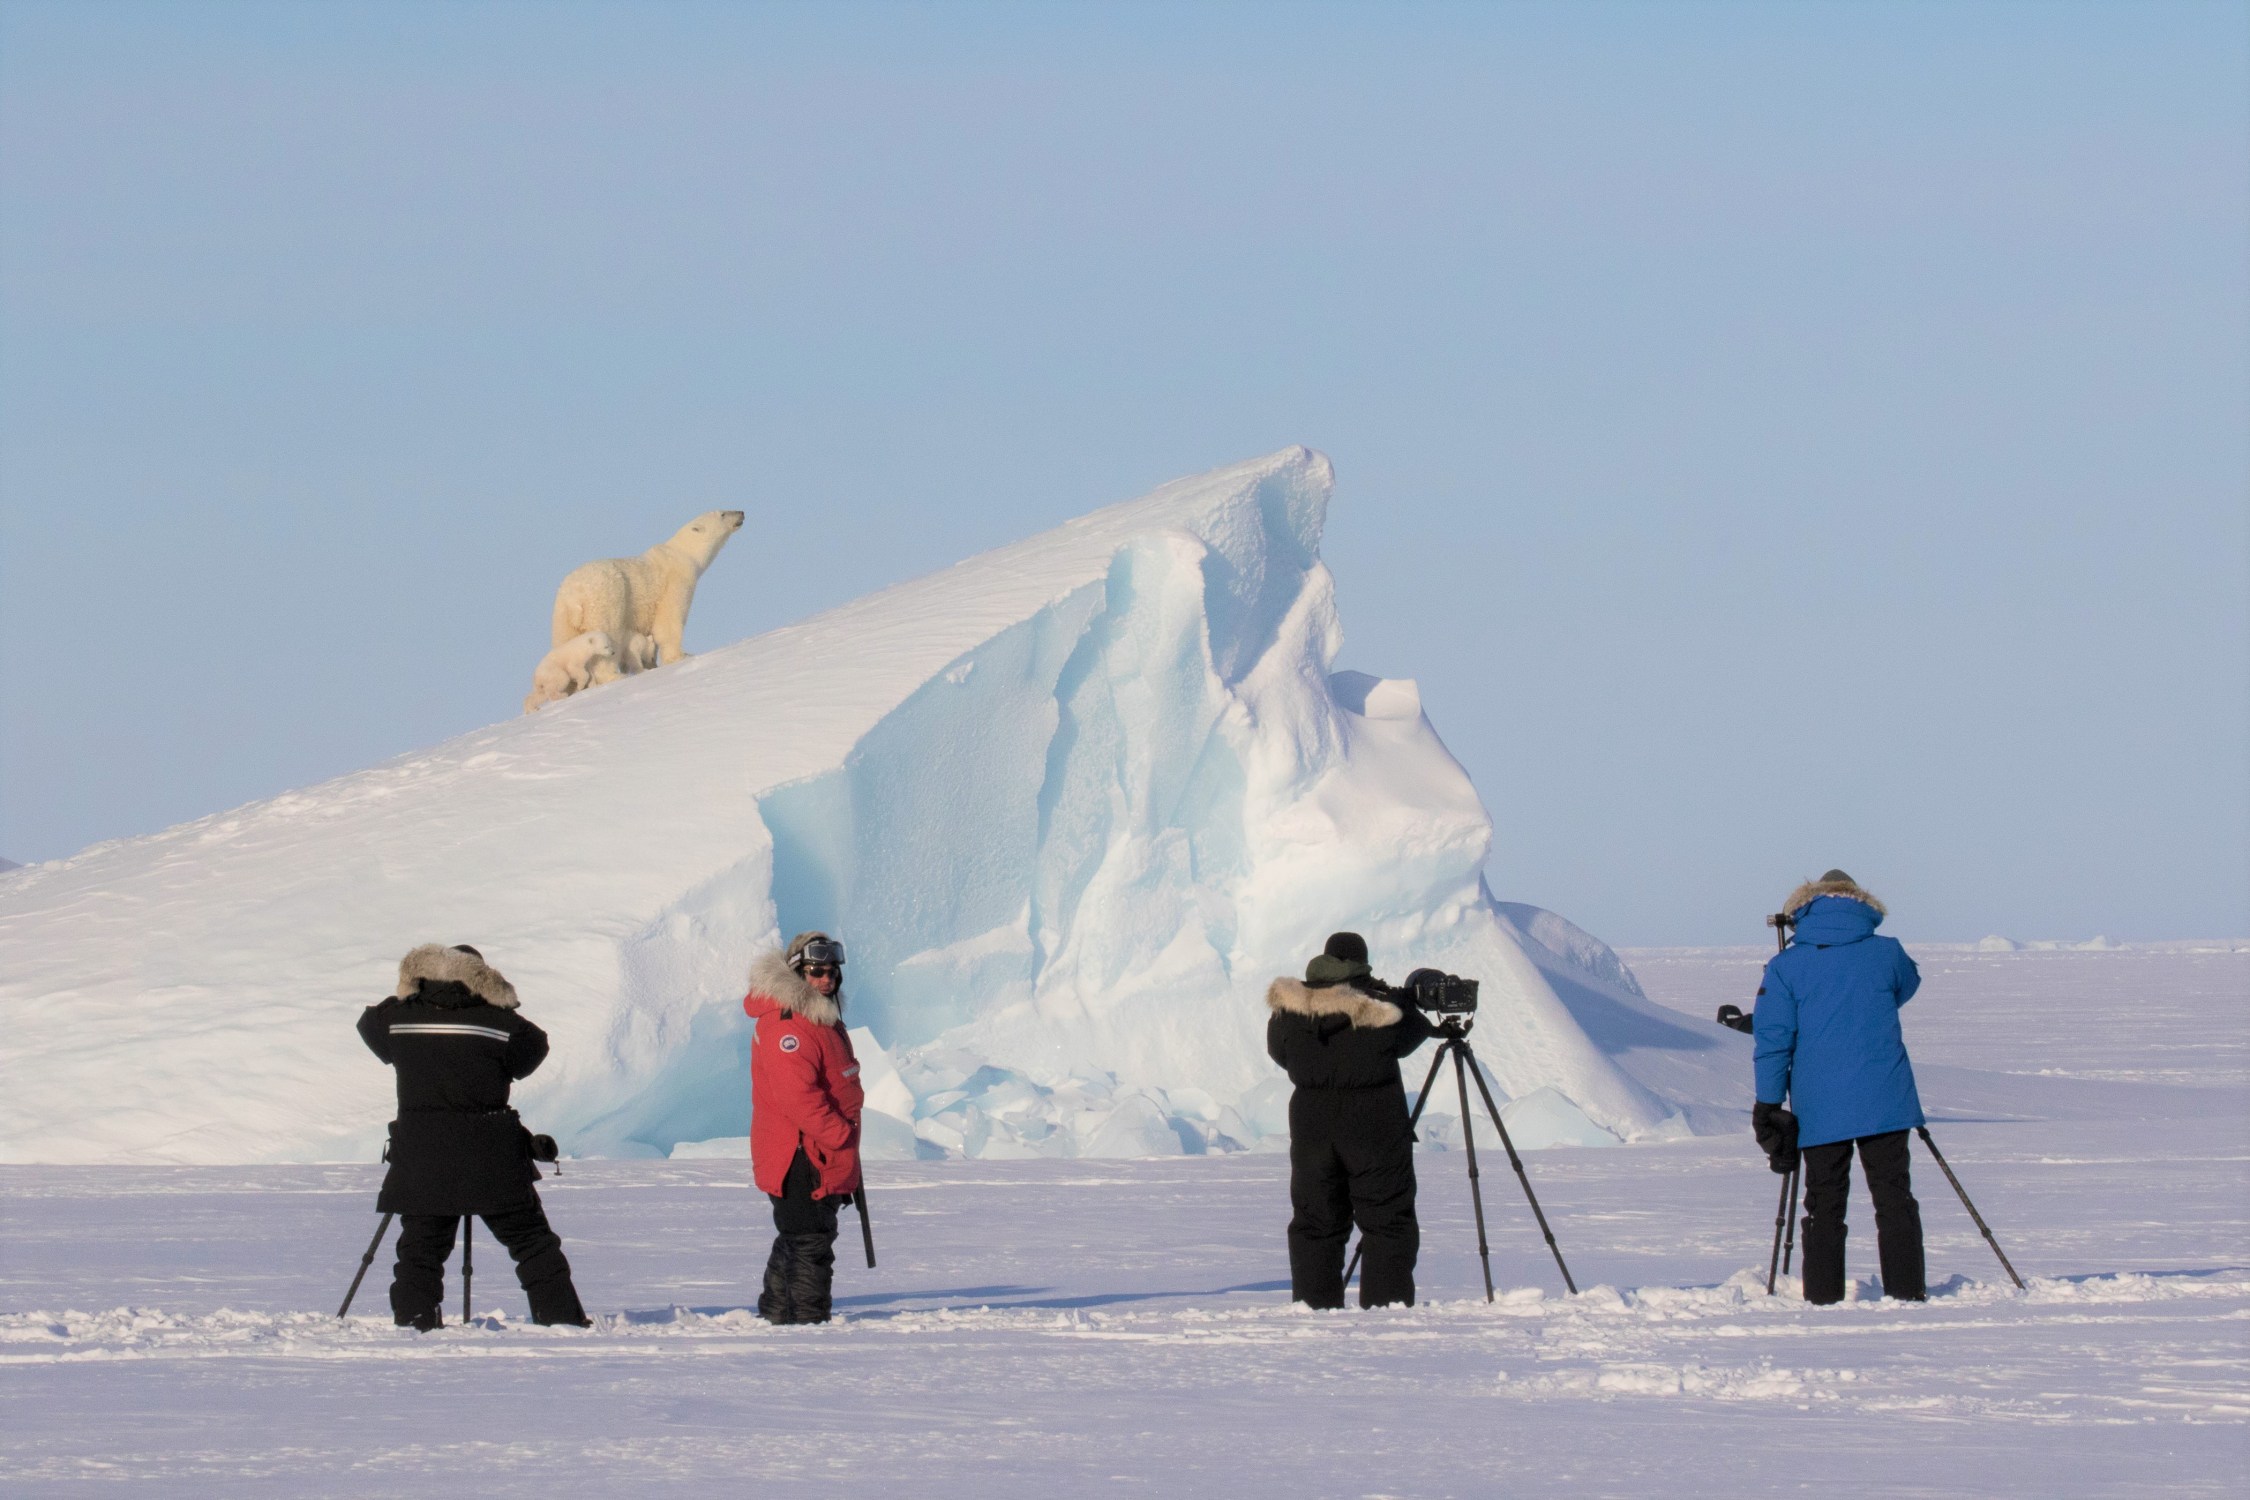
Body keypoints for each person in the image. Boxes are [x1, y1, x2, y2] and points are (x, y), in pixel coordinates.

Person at [357, 944, 589, 1329]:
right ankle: (560, 1319)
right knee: (531, 1243)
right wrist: (499, 1001)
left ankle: (415, 1324)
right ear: (483, 978)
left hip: (422, 1157)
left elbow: (368, 1023)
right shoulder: (499, 1024)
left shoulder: (398, 1019)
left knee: (421, 1249)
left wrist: (408, 989)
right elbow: (534, 1048)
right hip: (492, 1156)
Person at [1752, 870, 1928, 1305]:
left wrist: (1768, 1103)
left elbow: (1774, 1041)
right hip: (1886, 1094)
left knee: (1825, 1199)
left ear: (1802, 910)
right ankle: (1907, 1291)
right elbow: (1905, 988)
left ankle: (1824, 1296)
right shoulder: (1888, 953)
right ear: (1861, 904)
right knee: (1894, 1194)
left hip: (1820, 1101)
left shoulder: (1787, 965)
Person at [1265, 931, 1434, 1309]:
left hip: (1311, 1130)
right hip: (1374, 1126)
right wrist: (1406, 999)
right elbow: (1413, 1034)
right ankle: (1385, 1312)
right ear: (1362, 964)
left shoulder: (1288, 1011)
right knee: (1387, 1221)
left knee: (1314, 1222)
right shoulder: (1381, 1007)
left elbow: (1280, 1053)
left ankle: (1314, 1311)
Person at [743, 930, 864, 1324]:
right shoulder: (789, 1027)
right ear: (798, 973)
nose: (826, 979)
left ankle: (779, 1316)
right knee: (810, 1241)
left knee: (797, 1238)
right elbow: (799, 1100)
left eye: (831, 972)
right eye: (816, 971)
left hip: (812, 1151)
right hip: (801, 1155)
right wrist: (841, 1135)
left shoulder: (816, 1017)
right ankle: (807, 1324)